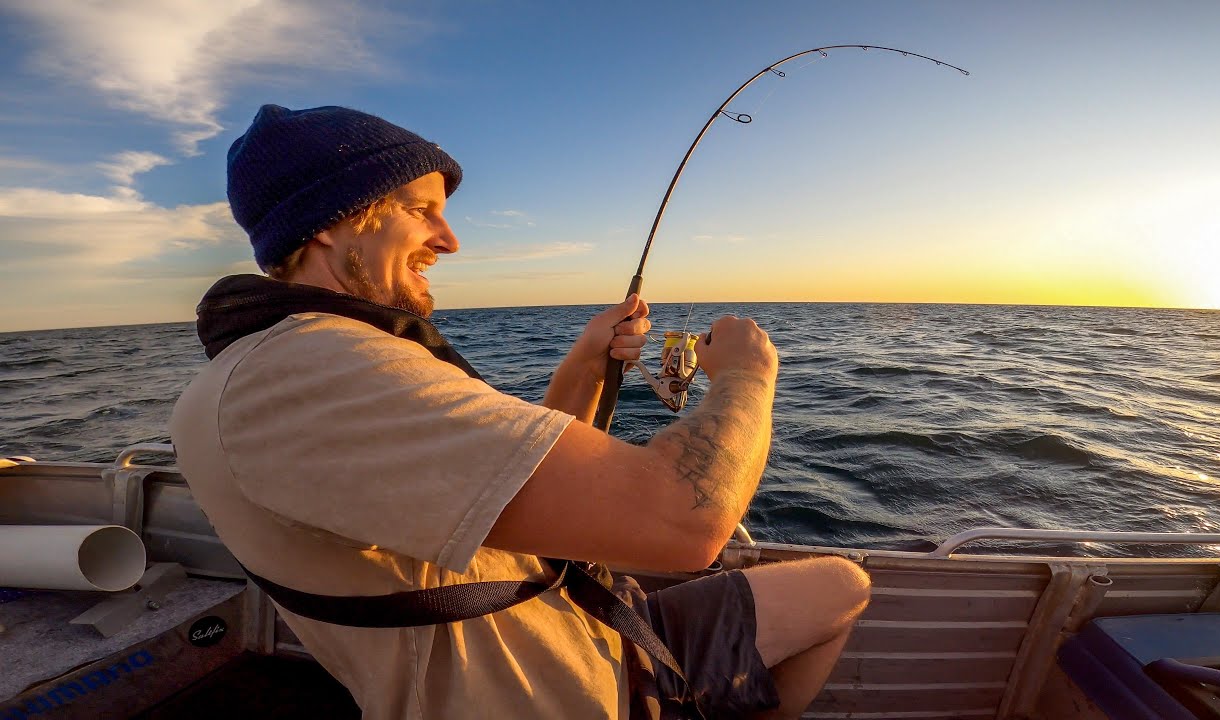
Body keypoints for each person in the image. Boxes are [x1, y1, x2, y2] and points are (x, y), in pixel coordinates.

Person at [169, 104, 871, 719]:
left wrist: (588, 361)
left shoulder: (291, 365)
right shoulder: (310, 373)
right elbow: (688, 525)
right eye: (422, 209)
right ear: (330, 224)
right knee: (841, 588)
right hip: (569, 694)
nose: (449, 240)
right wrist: (748, 374)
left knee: (839, 585)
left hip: (591, 633)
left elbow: (509, 486)